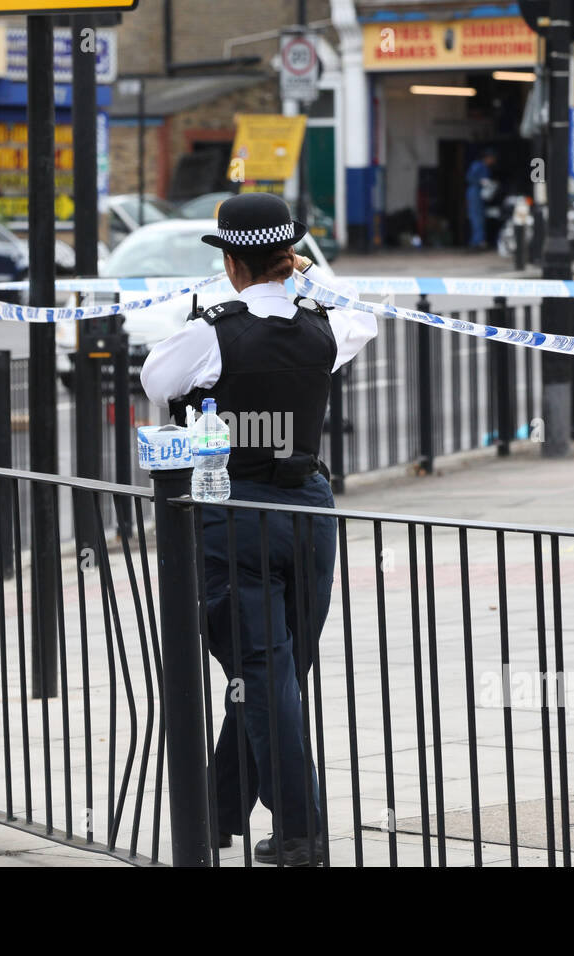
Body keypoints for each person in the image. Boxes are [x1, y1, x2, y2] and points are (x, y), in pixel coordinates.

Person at [141, 193, 376, 865]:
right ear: (288, 257)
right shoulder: (326, 324)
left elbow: (158, 382)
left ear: (234, 264)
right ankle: (219, 809)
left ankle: (301, 831)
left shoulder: (211, 331)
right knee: (277, 671)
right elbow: (364, 313)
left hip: (233, 509)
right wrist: (305, 276)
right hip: (309, 507)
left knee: (262, 671)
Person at [466, 148, 497, 248]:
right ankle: (477, 240)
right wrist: (480, 181)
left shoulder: (486, 167)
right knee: (476, 216)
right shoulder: (478, 165)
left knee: (480, 217)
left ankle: (479, 239)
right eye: (492, 158)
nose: (492, 161)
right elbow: (469, 177)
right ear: (487, 158)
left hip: (481, 194)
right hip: (474, 192)